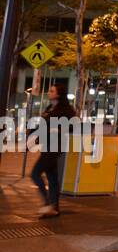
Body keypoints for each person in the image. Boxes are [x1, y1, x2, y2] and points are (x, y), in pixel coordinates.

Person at [31, 84, 76, 218]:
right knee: (52, 177)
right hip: (47, 145)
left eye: (52, 91)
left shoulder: (66, 109)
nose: (49, 93)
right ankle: (55, 208)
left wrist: (58, 130)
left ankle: (47, 204)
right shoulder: (50, 108)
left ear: (58, 94)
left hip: (55, 146)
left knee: (35, 173)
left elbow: (73, 126)